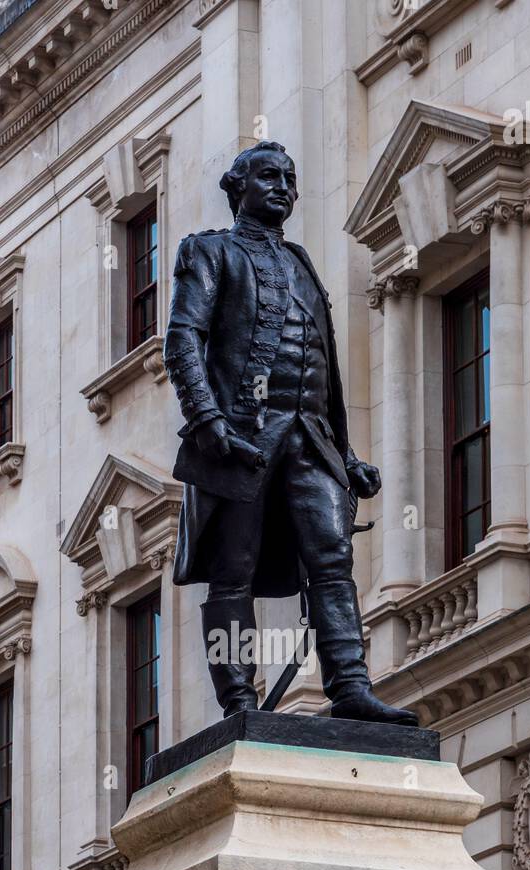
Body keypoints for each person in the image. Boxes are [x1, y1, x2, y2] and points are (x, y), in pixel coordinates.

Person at [163, 140, 417, 726]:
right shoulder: (208, 252)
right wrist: (208, 422)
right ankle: (239, 702)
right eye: (269, 176)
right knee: (235, 570)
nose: (283, 187)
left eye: (290, 178)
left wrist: (346, 455)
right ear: (238, 189)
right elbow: (183, 340)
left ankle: (349, 685)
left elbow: (323, 364)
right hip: (242, 439)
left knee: (332, 558)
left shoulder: (301, 262)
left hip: (310, 436)